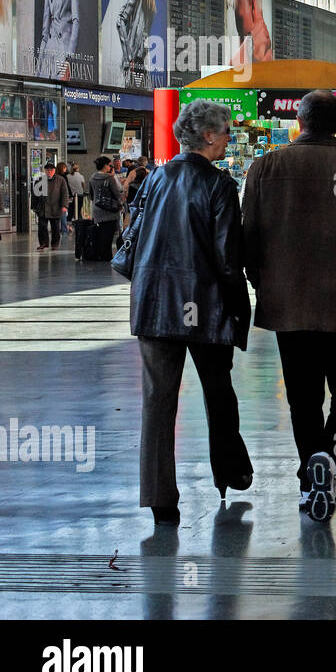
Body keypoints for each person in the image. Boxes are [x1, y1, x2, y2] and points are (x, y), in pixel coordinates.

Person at [243, 90, 336, 522]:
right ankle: (332, 457)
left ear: (300, 122)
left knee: (302, 399)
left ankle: (313, 474)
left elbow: (249, 237)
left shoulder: (265, 167)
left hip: (290, 307)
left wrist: (263, 283)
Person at [129, 99, 253, 526]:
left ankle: (160, 498)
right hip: (204, 305)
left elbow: (133, 237)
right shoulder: (219, 185)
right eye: (225, 132)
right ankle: (230, 471)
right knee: (218, 392)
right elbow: (227, 259)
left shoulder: (155, 178)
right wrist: (239, 308)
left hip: (153, 305)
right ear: (208, 136)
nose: (228, 139)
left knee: (157, 402)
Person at [88, 156, 125, 261]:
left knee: (99, 233)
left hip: (97, 209)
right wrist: (121, 204)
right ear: (105, 166)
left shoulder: (92, 178)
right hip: (110, 211)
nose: (111, 167)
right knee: (108, 235)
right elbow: (117, 194)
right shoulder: (110, 178)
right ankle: (107, 256)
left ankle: (99, 254)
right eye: (110, 165)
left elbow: (91, 195)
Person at [33, 162, 69, 251]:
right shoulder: (40, 180)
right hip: (43, 208)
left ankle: (55, 244)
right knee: (42, 227)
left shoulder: (60, 180)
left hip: (55, 207)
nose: (49, 172)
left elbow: (65, 193)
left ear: (54, 171)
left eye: (51, 170)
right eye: (47, 170)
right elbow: (35, 195)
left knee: (55, 227)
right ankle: (43, 243)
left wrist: (64, 205)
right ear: (45, 171)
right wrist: (34, 206)